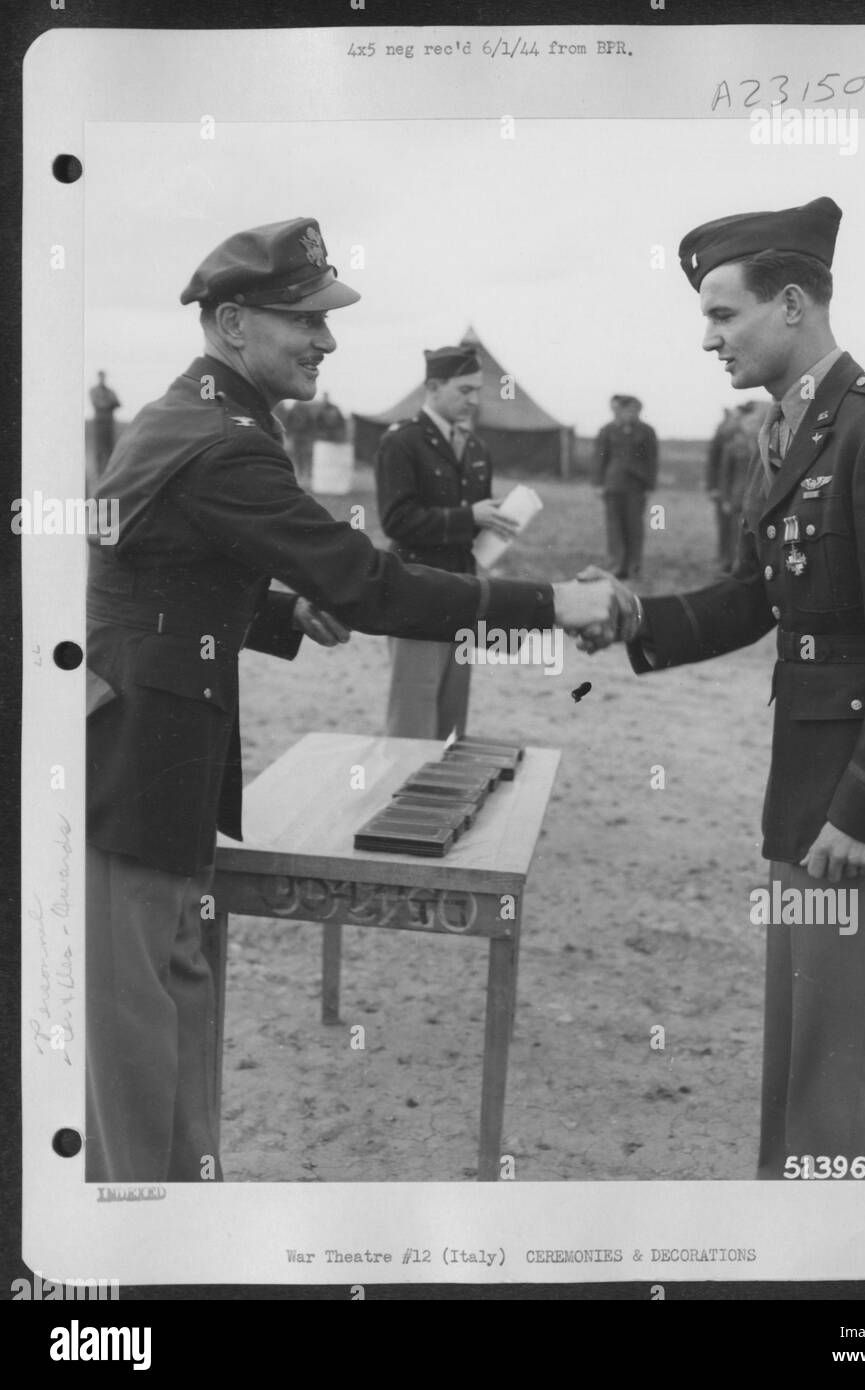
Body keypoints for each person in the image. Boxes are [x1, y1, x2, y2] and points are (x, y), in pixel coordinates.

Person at [84, 217, 615, 1183]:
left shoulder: (197, 417)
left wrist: (276, 609)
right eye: (305, 320)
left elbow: (159, 567)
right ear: (234, 322)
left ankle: (180, 1208)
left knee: (176, 986)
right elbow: (375, 584)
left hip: (153, 743)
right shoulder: (224, 443)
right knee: (136, 1020)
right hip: (136, 762)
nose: (327, 341)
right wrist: (555, 603)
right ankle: (132, 1239)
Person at [577, 196, 865, 1180]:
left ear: (791, 304)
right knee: (801, 1072)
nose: (708, 339)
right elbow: (754, 597)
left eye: (722, 314)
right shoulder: (789, 435)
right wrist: (630, 618)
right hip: (808, 798)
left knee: (849, 1087)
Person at [375, 344, 518, 739]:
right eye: (464, 390)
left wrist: (496, 523)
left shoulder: (476, 448)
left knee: (452, 712)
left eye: (478, 390)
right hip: (415, 591)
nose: (474, 400)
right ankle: (407, 796)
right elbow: (397, 520)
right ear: (434, 386)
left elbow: (470, 525)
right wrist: (468, 516)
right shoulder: (402, 442)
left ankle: (443, 794)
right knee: (414, 711)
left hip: (463, 591)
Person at [592, 394, 659, 580]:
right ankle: (616, 566)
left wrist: (650, 485)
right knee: (614, 527)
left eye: (634, 410)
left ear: (639, 411)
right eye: (626, 410)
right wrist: (598, 483)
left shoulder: (647, 431)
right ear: (620, 411)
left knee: (634, 527)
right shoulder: (607, 430)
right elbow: (599, 458)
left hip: (636, 486)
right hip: (613, 485)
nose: (630, 414)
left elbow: (652, 459)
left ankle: (634, 567)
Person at [705, 401, 767, 573]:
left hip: (758, 497)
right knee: (734, 533)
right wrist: (725, 498)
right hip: (737, 497)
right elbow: (725, 475)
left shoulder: (765, 444)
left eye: (755, 423)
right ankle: (732, 564)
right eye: (748, 423)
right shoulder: (733, 447)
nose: (751, 427)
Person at [89, 370, 121, 476]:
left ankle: (109, 473)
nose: (102, 379)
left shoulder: (110, 391)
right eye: (100, 377)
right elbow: (98, 404)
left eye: (104, 377)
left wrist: (106, 402)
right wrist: (108, 403)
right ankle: (99, 473)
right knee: (99, 449)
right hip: (99, 423)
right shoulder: (94, 390)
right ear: (98, 377)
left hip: (109, 423)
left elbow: (118, 403)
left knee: (110, 448)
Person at [280, 397, 317, 488]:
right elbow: (287, 421)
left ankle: (307, 474)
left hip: (304, 435)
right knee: (298, 455)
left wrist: (311, 434)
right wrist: (288, 433)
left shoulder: (305, 410)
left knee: (306, 455)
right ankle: (301, 473)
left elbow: (311, 422)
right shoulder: (294, 410)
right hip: (297, 435)